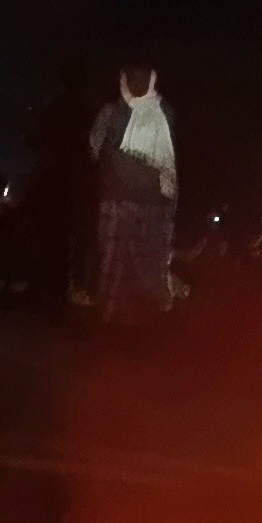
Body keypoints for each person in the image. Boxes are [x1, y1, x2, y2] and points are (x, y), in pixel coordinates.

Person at [88, 61, 179, 325]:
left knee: (115, 262)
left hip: (120, 200)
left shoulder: (111, 111)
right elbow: (169, 162)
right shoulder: (164, 112)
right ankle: (138, 323)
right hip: (152, 203)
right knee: (145, 263)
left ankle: (114, 320)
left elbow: (93, 149)